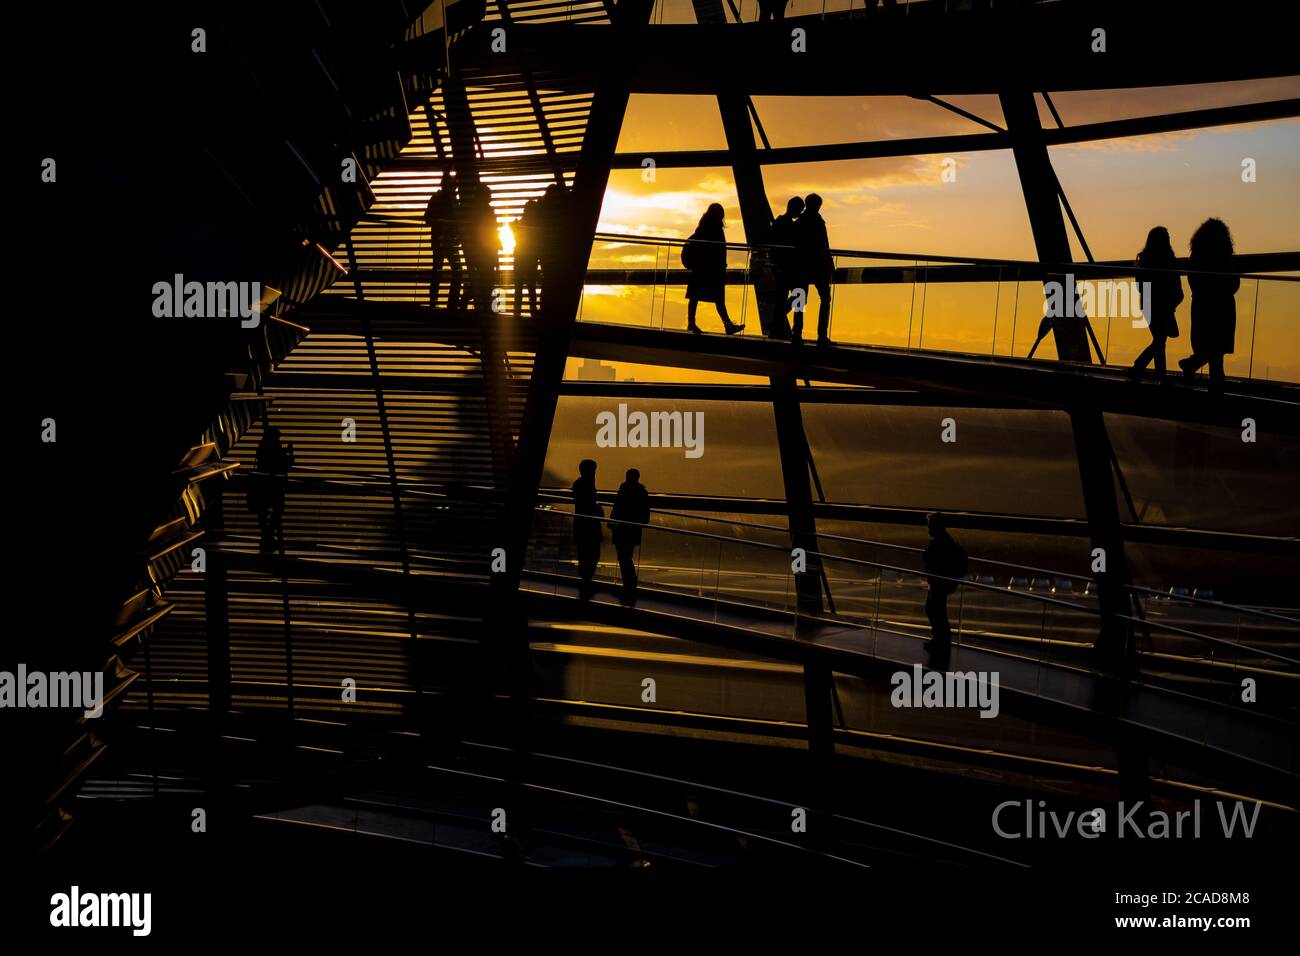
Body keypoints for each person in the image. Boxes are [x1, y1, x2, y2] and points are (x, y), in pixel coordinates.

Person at [1178, 217, 1239, 396]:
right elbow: (1234, 284)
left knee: (1212, 350)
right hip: (1223, 308)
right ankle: (1214, 386)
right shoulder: (1226, 259)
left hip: (1203, 307)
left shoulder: (1196, 257)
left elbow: (1194, 282)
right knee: (1217, 352)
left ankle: (1195, 368)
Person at [1127, 226, 1183, 382]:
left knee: (1159, 340)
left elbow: (1139, 286)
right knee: (1160, 340)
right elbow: (1175, 284)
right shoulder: (1170, 260)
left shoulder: (1144, 259)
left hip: (1148, 304)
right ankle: (1146, 368)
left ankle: (1153, 371)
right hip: (1164, 305)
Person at [683, 203, 742, 335]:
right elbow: (717, 250)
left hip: (704, 269)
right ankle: (726, 325)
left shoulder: (703, 227)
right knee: (716, 298)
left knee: (697, 296)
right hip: (710, 269)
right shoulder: (713, 229)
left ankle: (692, 324)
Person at [922, 512, 967, 663]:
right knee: (936, 610)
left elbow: (935, 560)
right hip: (941, 581)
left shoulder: (940, 542)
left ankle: (940, 644)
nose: (928, 528)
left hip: (939, 582)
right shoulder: (945, 540)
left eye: (929, 525)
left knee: (935, 611)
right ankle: (939, 642)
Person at [791, 193, 834, 346]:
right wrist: (829, 261)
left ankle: (797, 333)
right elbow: (824, 243)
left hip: (802, 265)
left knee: (800, 299)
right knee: (825, 298)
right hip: (818, 266)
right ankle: (821, 335)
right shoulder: (818, 221)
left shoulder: (800, 222)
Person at [250, 425, 295, 554]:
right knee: (277, 508)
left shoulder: (262, 448)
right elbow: (286, 464)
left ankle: (267, 537)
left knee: (263, 513)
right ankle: (268, 536)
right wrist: (290, 452)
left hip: (261, 486)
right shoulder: (274, 448)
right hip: (272, 487)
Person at [458, 180, 501, 315]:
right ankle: (481, 309)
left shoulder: (475, 211)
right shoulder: (483, 212)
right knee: (484, 280)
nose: (490, 198)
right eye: (488, 196)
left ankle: (471, 306)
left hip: (482, 251)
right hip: (484, 251)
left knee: (481, 280)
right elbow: (491, 232)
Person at [765, 196, 804, 340]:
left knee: (782, 298)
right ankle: (791, 328)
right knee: (799, 297)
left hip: (781, 267)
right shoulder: (792, 226)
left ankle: (775, 326)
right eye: (800, 209)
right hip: (791, 267)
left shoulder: (778, 223)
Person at [610, 468, 650, 605]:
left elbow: (617, 507)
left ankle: (629, 584)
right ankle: (630, 584)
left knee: (623, 557)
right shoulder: (642, 492)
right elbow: (645, 516)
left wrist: (612, 522)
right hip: (632, 530)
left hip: (621, 528)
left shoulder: (623, 488)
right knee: (626, 556)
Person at [424, 177, 461, 310]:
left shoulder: (448, 200)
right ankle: (449, 305)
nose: (456, 189)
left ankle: (436, 303)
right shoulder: (443, 199)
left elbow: (427, 218)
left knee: (438, 271)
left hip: (446, 240)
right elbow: (428, 218)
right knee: (452, 271)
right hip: (444, 240)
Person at [572, 459, 604, 600]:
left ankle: (585, 582)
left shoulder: (580, 484)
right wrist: (597, 509)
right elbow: (587, 503)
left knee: (585, 553)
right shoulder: (585, 485)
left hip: (582, 524)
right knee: (591, 553)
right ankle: (586, 582)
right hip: (588, 524)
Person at [513, 196, 543, 318]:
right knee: (530, 286)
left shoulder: (521, 224)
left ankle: (517, 311)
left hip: (520, 255)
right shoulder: (535, 225)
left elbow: (517, 238)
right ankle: (533, 310)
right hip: (530, 257)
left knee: (519, 285)